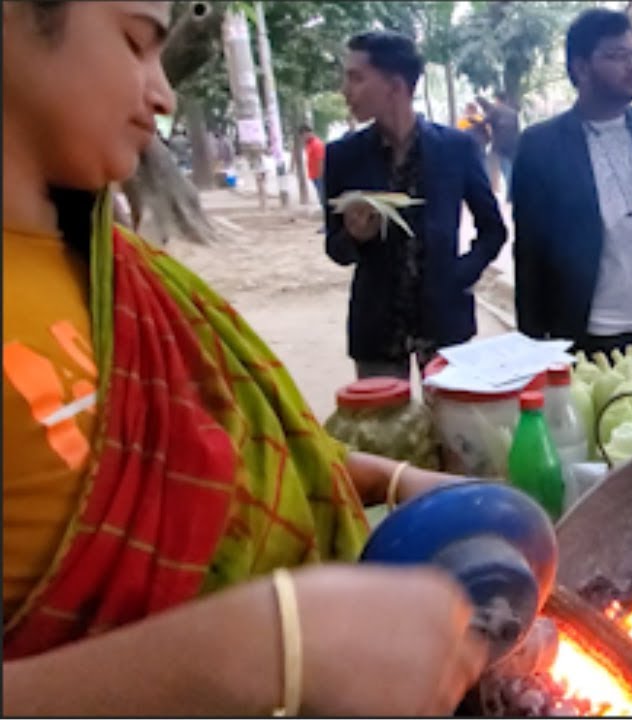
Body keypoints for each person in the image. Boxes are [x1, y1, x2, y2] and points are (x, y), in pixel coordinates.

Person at [2, 3, 492, 714]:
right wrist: (255, 647)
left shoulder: (130, 281)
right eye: (137, 41)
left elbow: (220, 456)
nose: (164, 92)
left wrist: (400, 481)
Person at [511, 8, 632, 357]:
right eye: (616, 56)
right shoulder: (541, 144)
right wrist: (533, 346)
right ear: (581, 67)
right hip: (589, 329)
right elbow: (529, 253)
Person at [325, 32, 506, 381]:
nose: (345, 91)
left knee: (453, 431)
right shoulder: (343, 156)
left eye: (356, 78)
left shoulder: (456, 148)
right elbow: (335, 248)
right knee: (384, 432)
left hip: (445, 325)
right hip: (377, 328)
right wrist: (353, 236)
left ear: (395, 85)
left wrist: (459, 276)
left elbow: (493, 231)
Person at [484, 92, 521, 203]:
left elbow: (484, 122)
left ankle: (492, 191)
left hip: (498, 144)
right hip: (512, 144)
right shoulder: (513, 113)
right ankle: (511, 194)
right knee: (508, 167)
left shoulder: (495, 110)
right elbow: (517, 129)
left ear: (498, 100)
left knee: (491, 166)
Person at [299, 124, 325, 209]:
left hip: (319, 176)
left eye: (303, 135)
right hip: (314, 175)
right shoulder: (309, 145)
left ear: (307, 133)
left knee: (323, 197)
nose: (303, 138)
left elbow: (321, 160)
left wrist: (321, 175)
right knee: (321, 197)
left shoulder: (317, 144)